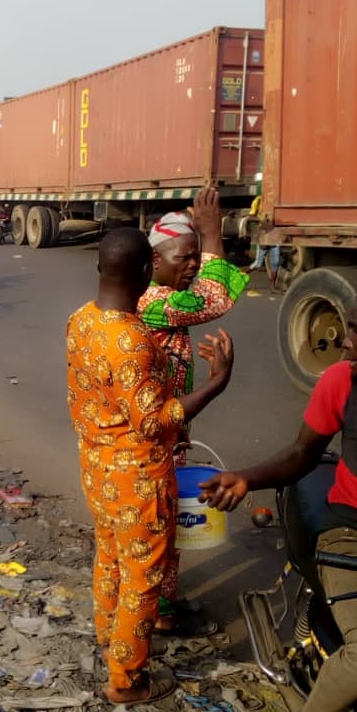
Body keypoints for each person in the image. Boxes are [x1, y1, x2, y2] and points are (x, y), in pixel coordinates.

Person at [67, 228, 234, 705]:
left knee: (111, 554)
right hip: (137, 477)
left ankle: (110, 635)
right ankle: (127, 680)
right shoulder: (133, 341)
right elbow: (156, 423)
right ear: (145, 272)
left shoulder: (81, 320)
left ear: (100, 269)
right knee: (143, 577)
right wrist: (217, 383)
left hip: (96, 465)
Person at [200, 305, 357, 712]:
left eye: (356, 330)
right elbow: (302, 453)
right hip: (349, 530)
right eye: (349, 327)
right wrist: (247, 477)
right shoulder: (342, 381)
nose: (345, 339)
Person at [137, 187, 248, 631]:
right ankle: (156, 617)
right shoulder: (155, 301)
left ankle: (160, 607)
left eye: (195, 256)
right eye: (183, 258)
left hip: (170, 429)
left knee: (167, 524)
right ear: (154, 262)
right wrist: (212, 234)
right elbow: (216, 298)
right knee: (162, 526)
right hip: (158, 433)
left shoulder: (159, 300)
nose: (192, 265)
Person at [246, 195, 281, 286]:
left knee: (275, 262)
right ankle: (238, 277)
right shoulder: (258, 201)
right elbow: (251, 217)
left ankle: (272, 287)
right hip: (264, 234)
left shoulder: (277, 202)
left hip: (275, 234)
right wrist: (261, 221)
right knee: (257, 264)